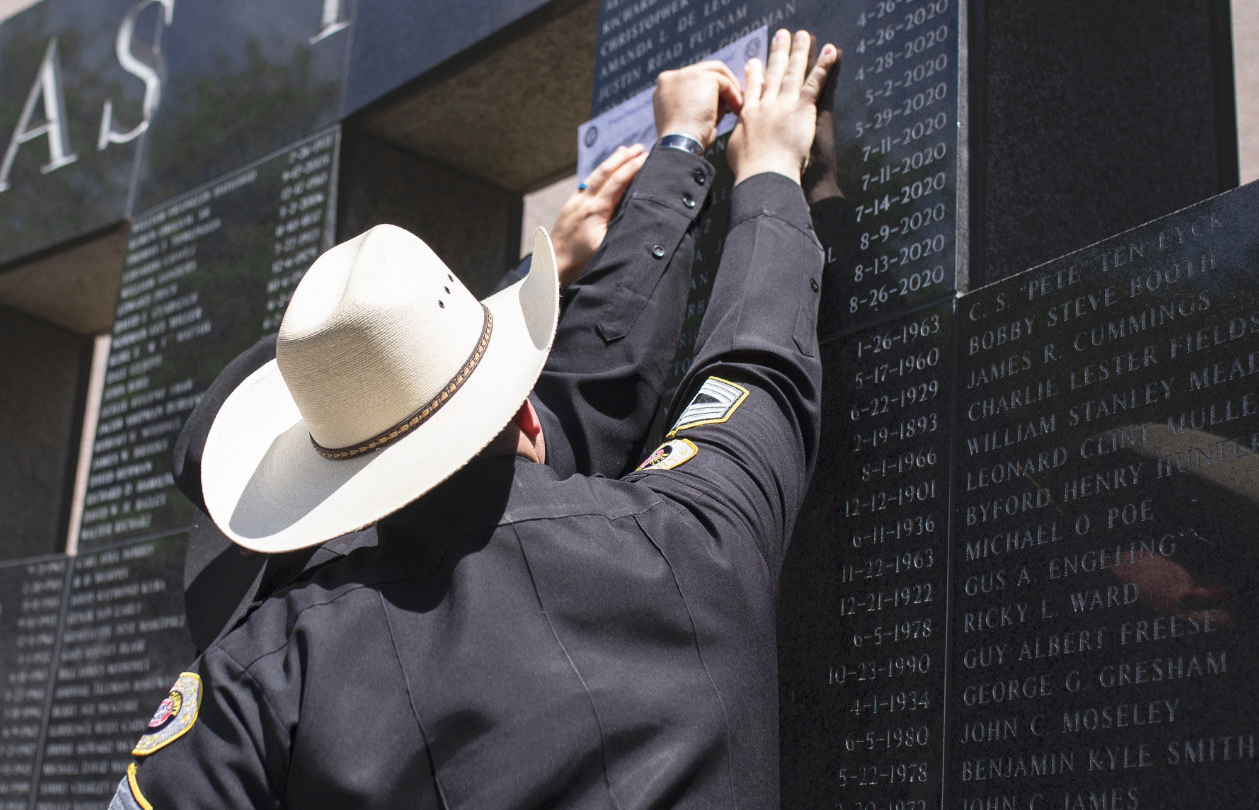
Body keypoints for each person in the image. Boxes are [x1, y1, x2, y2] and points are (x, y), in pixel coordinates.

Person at [115, 28, 837, 809]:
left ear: (322, 491)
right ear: (524, 408)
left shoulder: (262, 679)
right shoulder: (695, 540)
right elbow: (753, 363)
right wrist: (763, 169)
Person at [176, 115, 722, 650]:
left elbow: (410, 379)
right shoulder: (403, 576)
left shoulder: (257, 654)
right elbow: (594, 382)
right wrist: (677, 150)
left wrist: (540, 269)